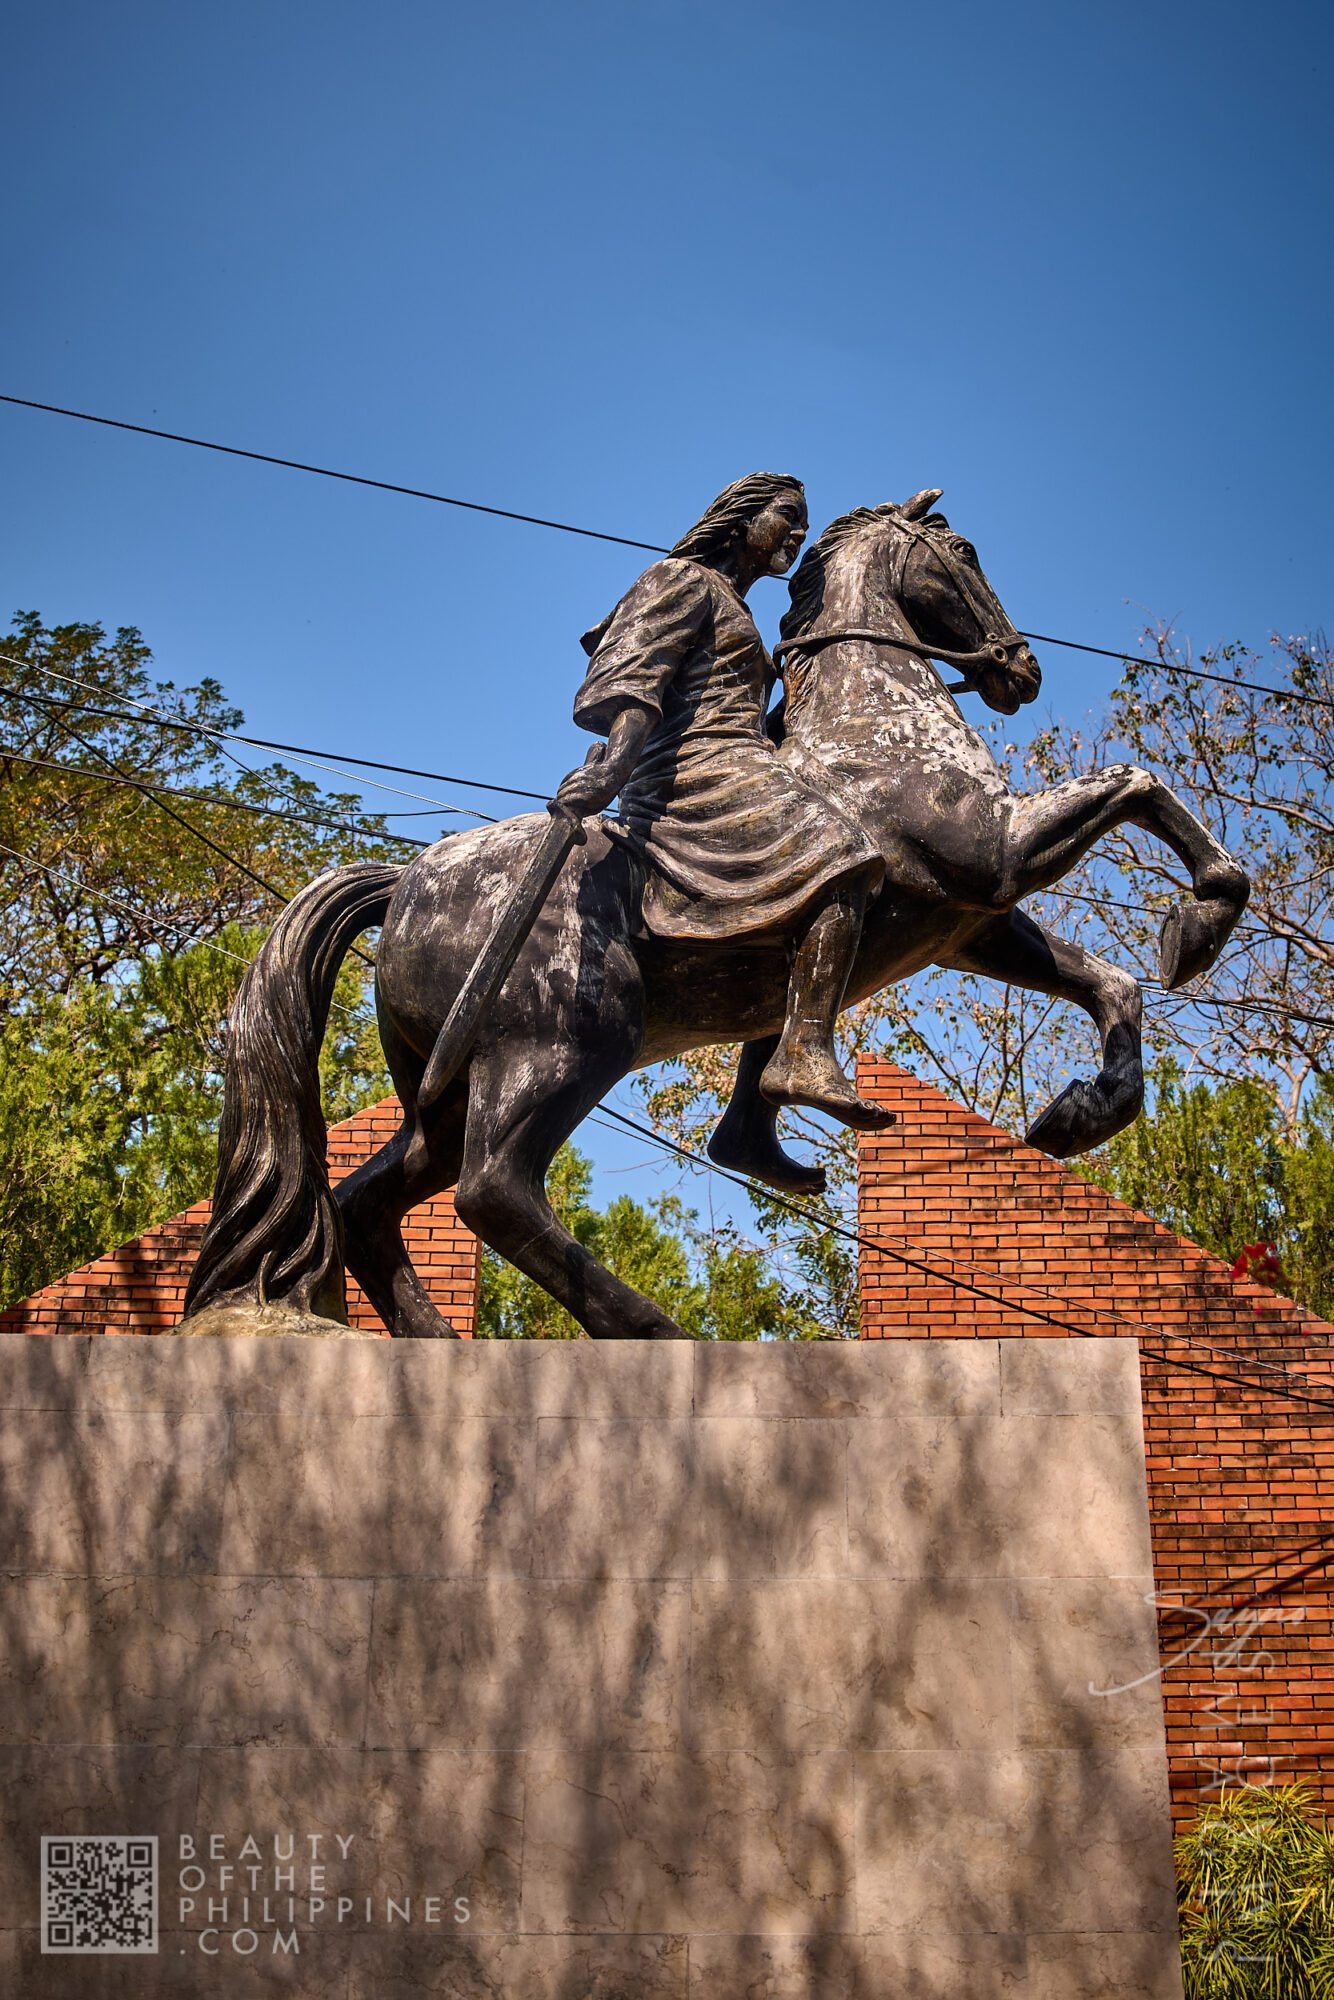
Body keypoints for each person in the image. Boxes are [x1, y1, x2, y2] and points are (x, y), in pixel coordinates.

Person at [553, 471, 889, 1136]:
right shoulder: (682, 579)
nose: (797, 531)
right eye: (787, 515)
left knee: (803, 894)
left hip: (738, 762)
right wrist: (613, 766)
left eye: (803, 522)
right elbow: (638, 676)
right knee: (843, 853)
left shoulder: (738, 608)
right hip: (691, 776)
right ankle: (804, 1051)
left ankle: (749, 1127)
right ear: (740, 519)